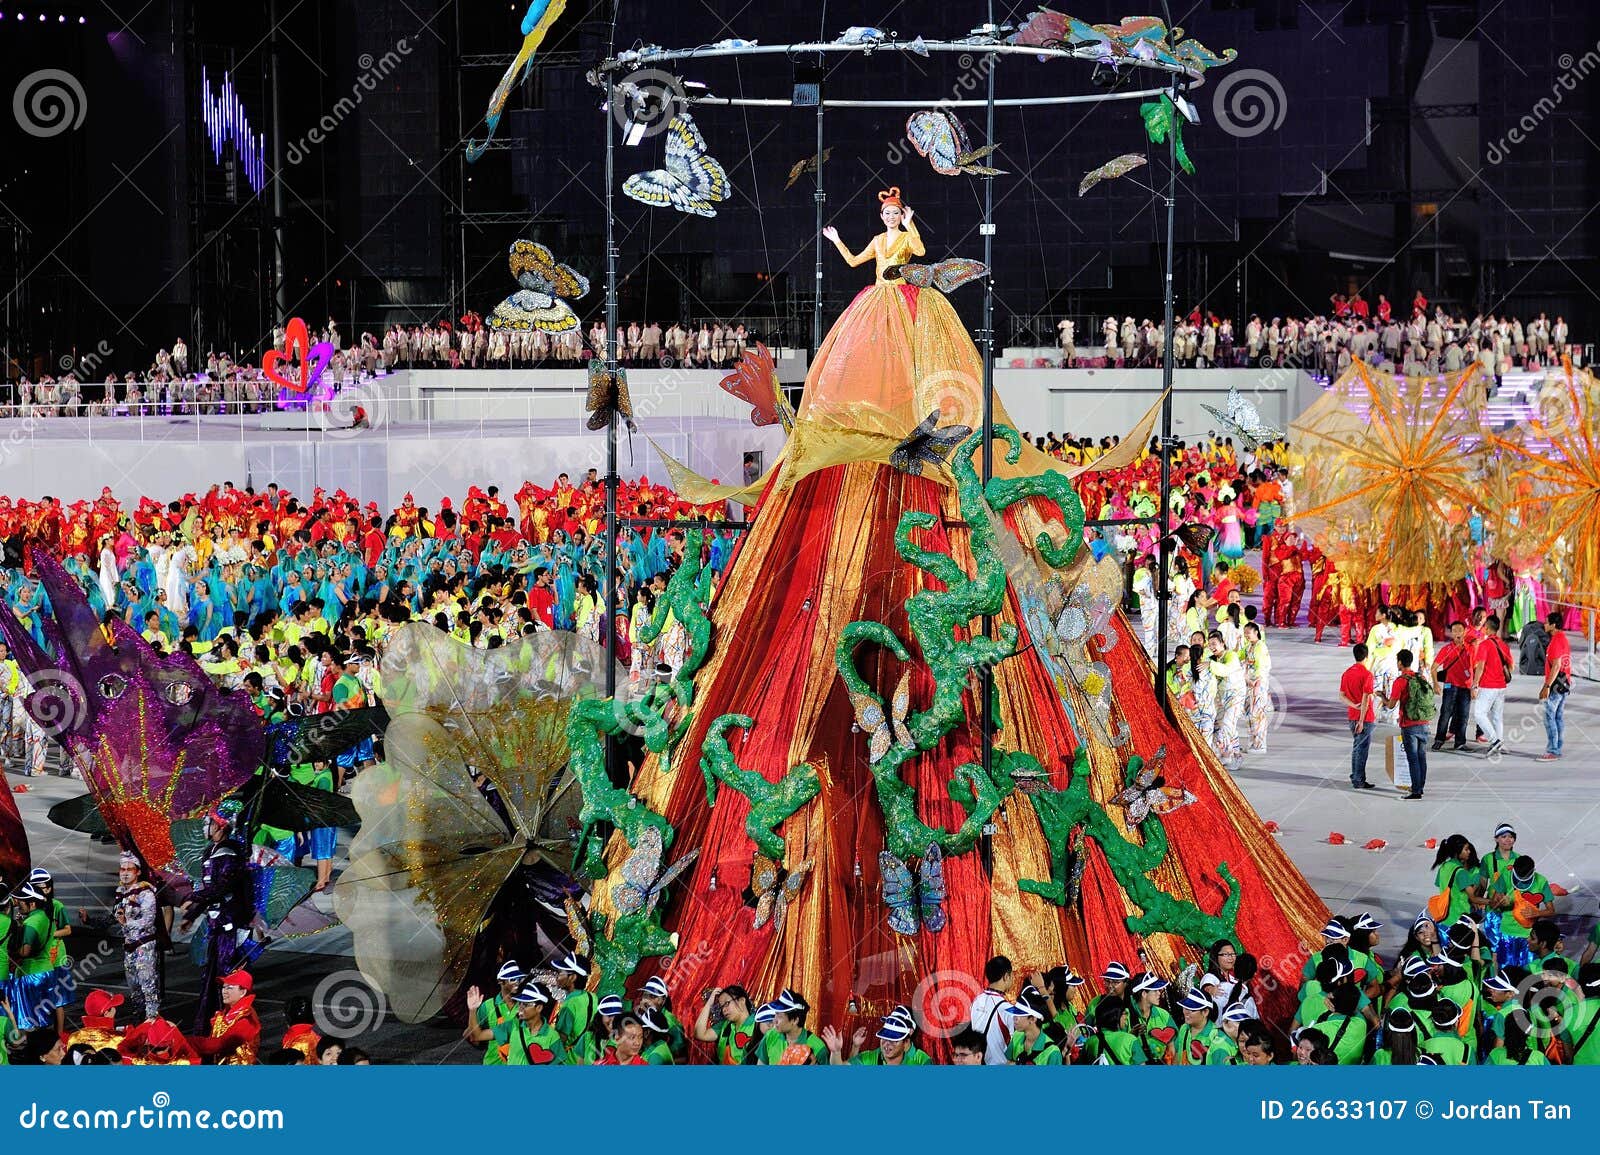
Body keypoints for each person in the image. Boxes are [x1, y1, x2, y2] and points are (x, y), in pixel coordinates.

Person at [188, 970, 262, 1065]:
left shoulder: (246, 1018)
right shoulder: (225, 1013)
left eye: (229, 988)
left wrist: (187, 1041)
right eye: (223, 987)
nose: (224, 991)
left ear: (243, 992)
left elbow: (220, 1045)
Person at [1387, 648, 1431, 798]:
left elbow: (1391, 705)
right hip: (1424, 722)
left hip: (1409, 724)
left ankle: (1416, 791)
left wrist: (1382, 697)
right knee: (1421, 757)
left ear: (1400, 662)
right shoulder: (1421, 678)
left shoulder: (1400, 681)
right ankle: (1420, 786)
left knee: (1412, 758)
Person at [463, 961, 526, 1065]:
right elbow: (471, 1034)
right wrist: (472, 1010)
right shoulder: (488, 1006)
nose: (517, 982)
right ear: (501, 981)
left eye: (519, 979)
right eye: (513, 979)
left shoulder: (526, 1006)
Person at [1470, 614, 1512, 756]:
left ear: (1487, 628)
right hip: (1501, 686)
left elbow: (1480, 667)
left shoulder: (1484, 645)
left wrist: (1475, 685)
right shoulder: (1504, 645)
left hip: (1488, 686)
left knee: (1479, 714)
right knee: (1497, 717)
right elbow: (1510, 666)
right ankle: (1498, 743)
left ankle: (1494, 741)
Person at [1340, 642, 1378, 790]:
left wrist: (1352, 705)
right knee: (1361, 750)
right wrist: (1361, 720)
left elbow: (1341, 695)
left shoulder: (1347, 672)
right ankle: (1358, 779)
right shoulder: (1367, 674)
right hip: (1365, 718)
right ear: (1367, 656)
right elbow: (1366, 698)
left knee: (1357, 747)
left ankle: (1356, 776)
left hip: (1352, 715)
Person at [1431, 620, 1473, 751]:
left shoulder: (1471, 648)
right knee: (1446, 713)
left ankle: (1460, 742)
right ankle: (1439, 739)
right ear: (1451, 633)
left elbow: (1478, 667)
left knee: (1464, 715)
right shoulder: (1447, 649)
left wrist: (1475, 686)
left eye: (1460, 630)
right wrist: (1435, 684)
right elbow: (1433, 668)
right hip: (1450, 685)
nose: (1457, 633)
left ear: (1465, 631)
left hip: (1466, 687)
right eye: (1454, 631)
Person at [755, 989, 827, 1064]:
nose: (774, 1021)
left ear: (795, 1020)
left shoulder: (818, 1048)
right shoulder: (770, 1036)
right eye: (775, 1014)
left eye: (779, 1016)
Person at [551, 951, 598, 1064]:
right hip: (587, 1057)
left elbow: (561, 1039)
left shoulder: (570, 1004)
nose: (557, 976)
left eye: (561, 973)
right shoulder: (592, 997)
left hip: (569, 1060)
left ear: (572, 977)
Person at [967, 955, 1014, 1064]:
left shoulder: (976, 1000)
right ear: (1006, 976)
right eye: (1012, 976)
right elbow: (1016, 1041)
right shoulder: (1006, 1008)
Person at [695, 984, 757, 1065]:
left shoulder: (759, 1025)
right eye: (721, 1007)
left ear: (741, 1001)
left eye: (727, 1003)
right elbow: (699, 1034)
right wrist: (710, 1003)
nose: (724, 1010)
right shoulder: (724, 1026)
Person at [1538, 610, 1571, 761]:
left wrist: (1547, 686)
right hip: (1564, 683)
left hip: (1556, 684)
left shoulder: (1556, 641)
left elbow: (1556, 665)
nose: (1544, 625)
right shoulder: (1563, 638)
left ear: (1553, 625)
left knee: (1548, 716)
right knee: (1558, 717)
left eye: (1546, 622)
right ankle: (1557, 747)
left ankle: (1553, 750)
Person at [1003, 992, 1064, 1065]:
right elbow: (1008, 1062)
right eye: (1015, 1013)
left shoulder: (1052, 1053)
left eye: (1020, 1014)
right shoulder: (1016, 1035)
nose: (1014, 1018)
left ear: (1032, 1019)